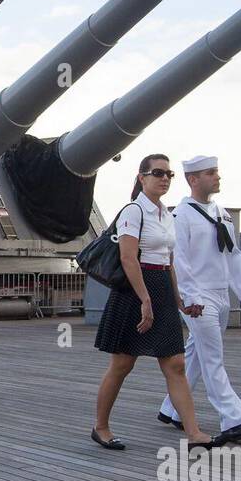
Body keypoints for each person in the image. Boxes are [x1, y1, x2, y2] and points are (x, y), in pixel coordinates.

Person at [91, 154, 212, 452]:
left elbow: (168, 262)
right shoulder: (134, 210)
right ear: (141, 177)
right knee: (122, 364)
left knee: (176, 363)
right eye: (158, 172)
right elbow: (128, 258)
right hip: (135, 289)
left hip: (160, 287)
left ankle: (194, 432)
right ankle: (101, 427)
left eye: (169, 174)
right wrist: (145, 299)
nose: (165, 178)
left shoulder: (167, 214)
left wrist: (178, 299)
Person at [155, 156, 241, 446]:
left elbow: (233, 255)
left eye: (217, 172)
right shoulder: (182, 216)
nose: (217, 177)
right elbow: (180, 260)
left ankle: (171, 408)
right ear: (193, 179)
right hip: (199, 297)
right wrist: (190, 297)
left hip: (220, 295)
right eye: (211, 173)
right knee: (213, 358)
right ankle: (233, 418)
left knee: (198, 354)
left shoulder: (222, 213)